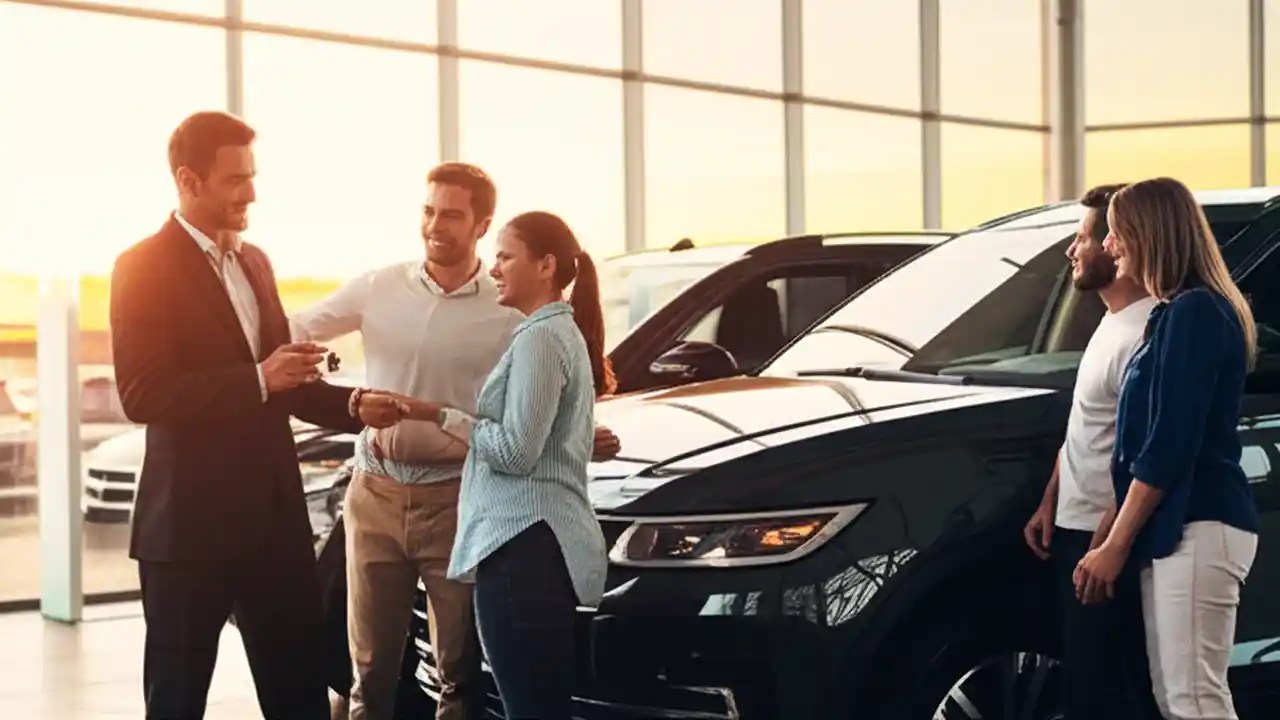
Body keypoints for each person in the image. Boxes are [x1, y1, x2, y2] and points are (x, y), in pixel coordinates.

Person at [289, 164, 620, 720]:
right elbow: (295, 330)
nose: (434, 225)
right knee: (368, 672)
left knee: (460, 675)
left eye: (451, 214)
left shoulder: (511, 306)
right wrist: (323, 385)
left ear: (481, 223)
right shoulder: (378, 286)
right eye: (428, 211)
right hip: (375, 495)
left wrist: (576, 438)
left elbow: (539, 401)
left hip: (458, 502)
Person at [109, 110, 403, 720]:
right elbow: (143, 393)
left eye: (252, 176)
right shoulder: (141, 267)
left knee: (298, 696)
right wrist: (257, 379)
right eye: (235, 180)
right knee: (177, 699)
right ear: (188, 181)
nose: (251, 193)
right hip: (187, 532)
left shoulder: (257, 262)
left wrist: (353, 405)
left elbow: (283, 381)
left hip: (273, 524)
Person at [395, 211, 611, 720]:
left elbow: (516, 452)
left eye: (506, 256)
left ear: (546, 265)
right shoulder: (558, 332)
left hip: (521, 550)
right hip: (535, 550)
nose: (493, 268)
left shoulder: (540, 338)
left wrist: (443, 417)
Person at [1075, 177, 1261, 719]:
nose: (1109, 246)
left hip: (1200, 523)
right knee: (1179, 698)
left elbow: (1169, 445)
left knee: (1195, 699)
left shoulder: (1196, 314)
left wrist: (1116, 543)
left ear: (1148, 233)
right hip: (1181, 527)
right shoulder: (1172, 315)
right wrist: (1112, 524)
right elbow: (1142, 446)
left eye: (1116, 234)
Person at [1023, 183, 1158, 719]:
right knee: (1085, 682)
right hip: (1073, 527)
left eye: (1083, 237)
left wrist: (1108, 535)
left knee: (1109, 690)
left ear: (1117, 244)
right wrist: (1050, 500)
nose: (1071, 251)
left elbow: (1144, 446)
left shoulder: (1149, 327)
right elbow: (1087, 424)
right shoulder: (1108, 324)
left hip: (1106, 541)